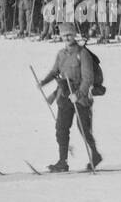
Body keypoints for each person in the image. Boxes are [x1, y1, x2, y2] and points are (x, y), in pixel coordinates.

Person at [38, 22, 102, 172]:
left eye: (69, 35)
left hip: (81, 97)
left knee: (84, 129)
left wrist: (78, 94)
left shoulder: (82, 54)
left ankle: (95, 155)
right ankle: (62, 162)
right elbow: (55, 71)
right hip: (64, 95)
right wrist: (43, 82)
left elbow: (88, 78)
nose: (67, 38)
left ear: (74, 35)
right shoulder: (61, 54)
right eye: (64, 35)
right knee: (61, 128)